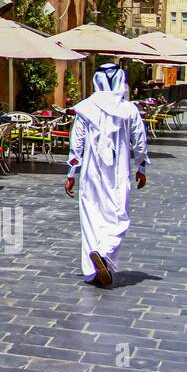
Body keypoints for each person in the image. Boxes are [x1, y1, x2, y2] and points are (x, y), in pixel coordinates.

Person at [64, 62, 150, 288]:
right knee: (118, 215)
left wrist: (72, 172)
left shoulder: (86, 108)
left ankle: (94, 268)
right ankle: (103, 254)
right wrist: (141, 167)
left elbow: (77, 142)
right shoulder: (128, 110)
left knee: (91, 216)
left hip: (91, 172)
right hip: (118, 172)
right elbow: (139, 141)